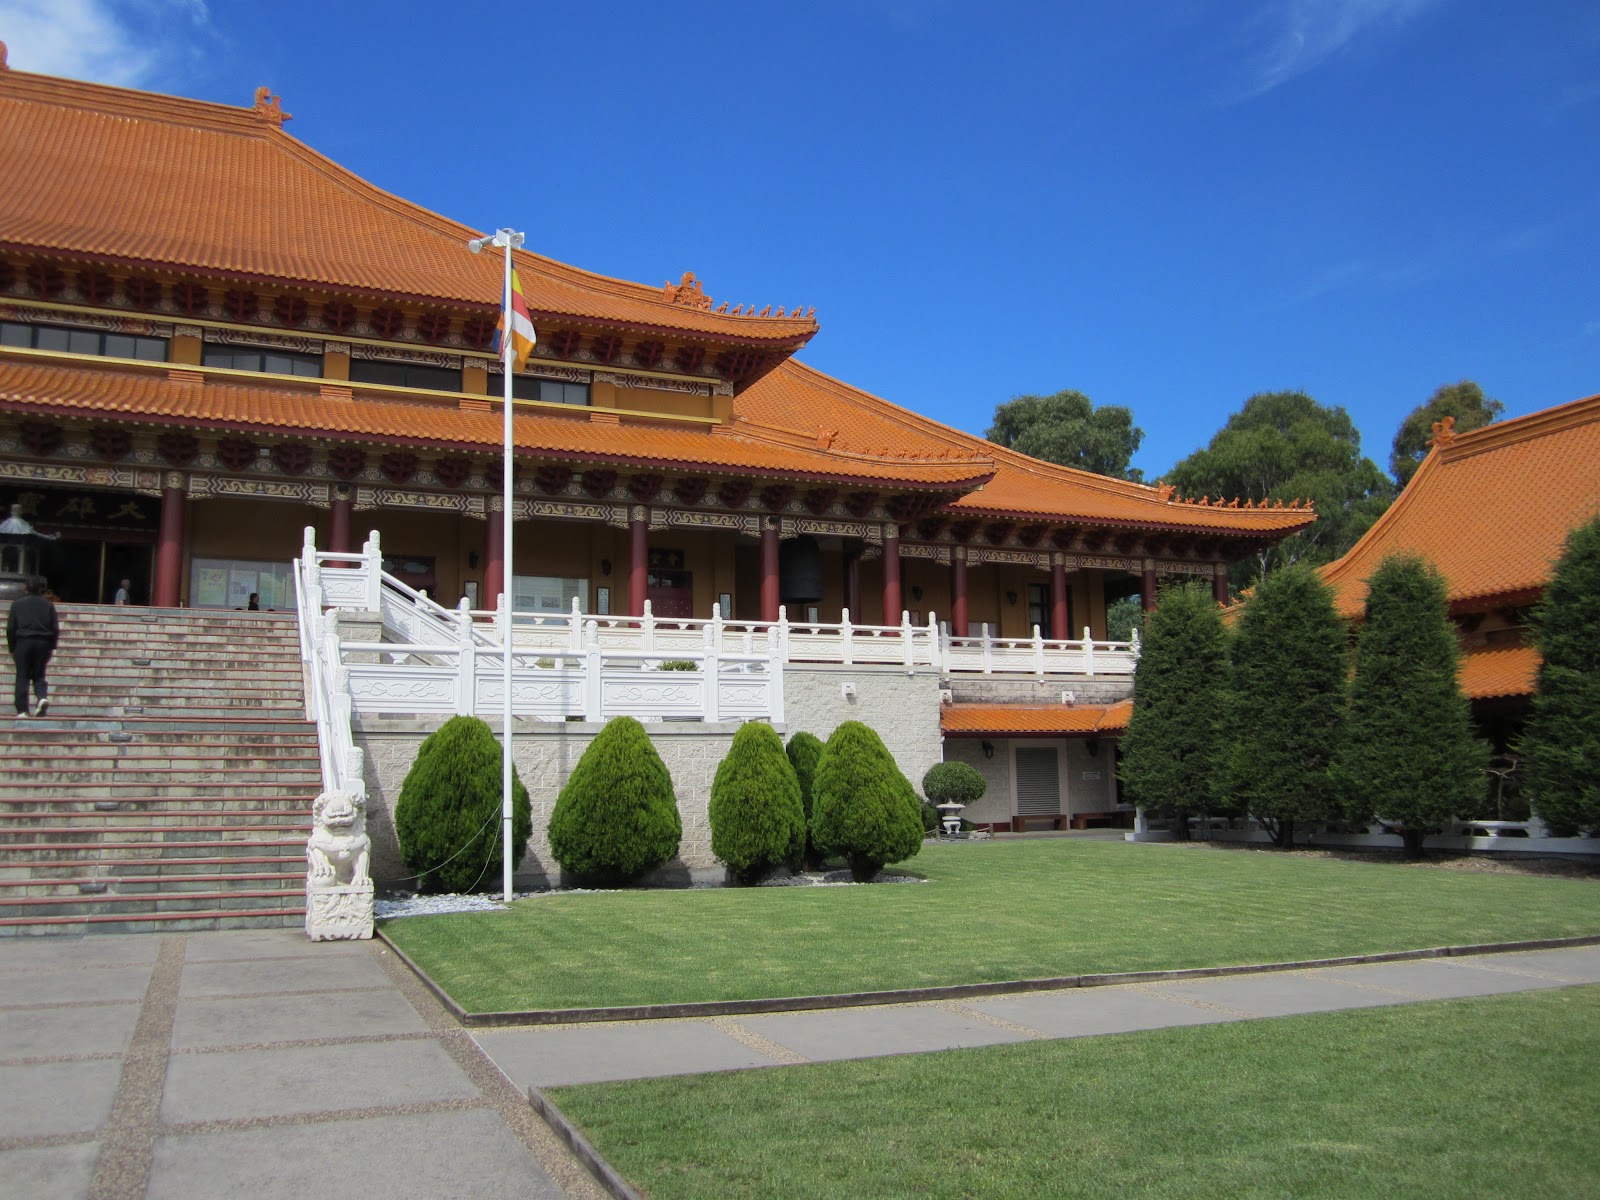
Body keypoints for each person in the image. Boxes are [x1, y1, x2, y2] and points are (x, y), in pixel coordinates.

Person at [7, 575, 59, 718]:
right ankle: (41, 697)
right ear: (42, 588)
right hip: (43, 642)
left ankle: (22, 709)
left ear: (26, 588)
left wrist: (12, 646)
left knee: (22, 675)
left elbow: (11, 628)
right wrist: (52, 646)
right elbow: (54, 627)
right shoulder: (48, 605)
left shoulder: (17, 604)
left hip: (23, 641)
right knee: (39, 674)